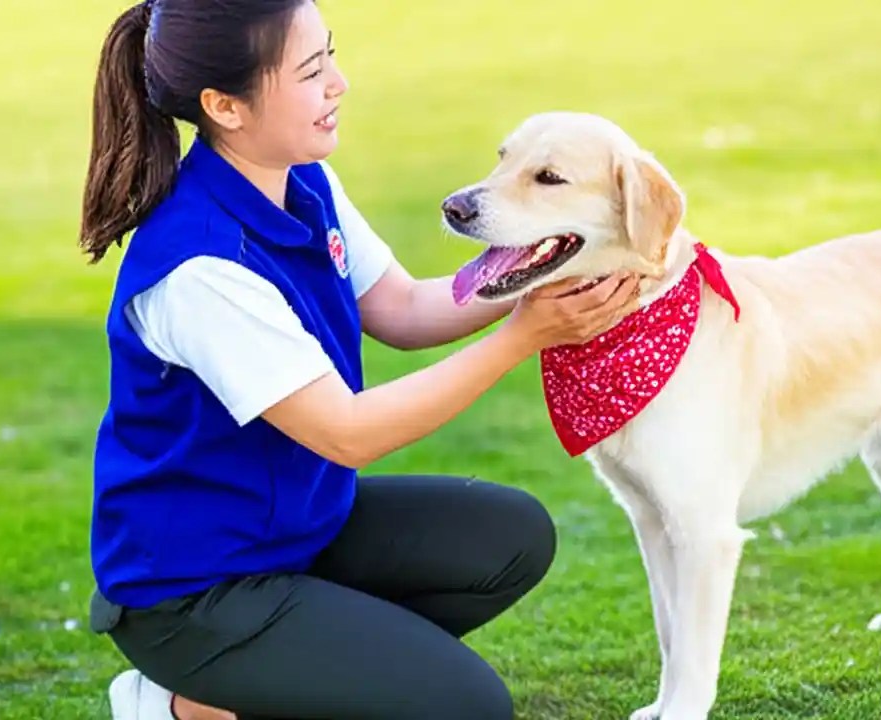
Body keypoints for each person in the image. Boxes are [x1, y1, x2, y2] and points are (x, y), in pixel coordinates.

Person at [79, 1, 641, 718]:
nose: (339, 83)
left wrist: (547, 273)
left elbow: (404, 308)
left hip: (294, 532)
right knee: (465, 706)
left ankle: (248, 690)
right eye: (312, 71)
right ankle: (182, 697)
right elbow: (348, 432)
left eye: (331, 58)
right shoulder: (199, 268)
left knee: (508, 538)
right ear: (225, 106)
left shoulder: (301, 180)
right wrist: (523, 336)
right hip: (195, 590)